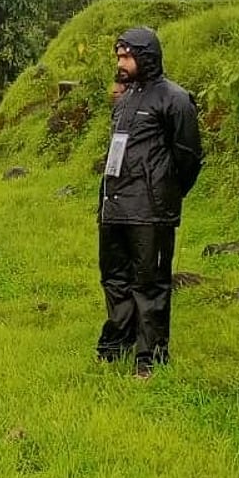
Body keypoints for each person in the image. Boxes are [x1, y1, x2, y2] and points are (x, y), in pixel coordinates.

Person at [96, 27, 203, 379]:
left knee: (150, 283)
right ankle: (115, 348)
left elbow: (187, 156)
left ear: (146, 57)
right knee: (115, 279)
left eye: (126, 57)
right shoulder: (123, 99)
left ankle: (150, 358)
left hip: (150, 212)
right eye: (118, 57)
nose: (121, 63)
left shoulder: (175, 99)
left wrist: (164, 194)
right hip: (114, 207)